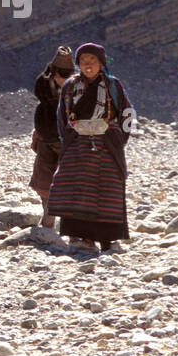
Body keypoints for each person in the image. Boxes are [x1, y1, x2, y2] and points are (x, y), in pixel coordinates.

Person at [47, 43, 134, 253]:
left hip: (106, 145)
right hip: (78, 146)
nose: (88, 64)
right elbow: (62, 116)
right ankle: (81, 237)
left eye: (92, 60)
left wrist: (118, 138)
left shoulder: (113, 85)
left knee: (108, 189)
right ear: (78, 63)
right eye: (83, 60)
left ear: (101, 62)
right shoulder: (70, 85)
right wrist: (67, 137)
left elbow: (127, 112)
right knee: (77, 189)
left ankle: (108, 239)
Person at [29, 46, 75, 227]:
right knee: (44, 180)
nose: (63, 79)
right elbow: (41, 92)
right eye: (60, 74)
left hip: (68, 139)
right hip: (46, 137)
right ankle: (48, 220)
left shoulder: (77, 87)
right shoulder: (45, 83)